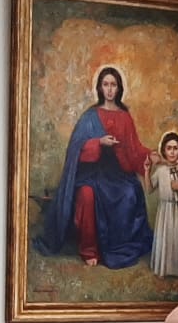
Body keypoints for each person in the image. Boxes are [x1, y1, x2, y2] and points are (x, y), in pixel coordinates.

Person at [35, 64, 154, 269]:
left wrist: (150, 155)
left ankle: (119, 245)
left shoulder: (125, 117)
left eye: (113, 85)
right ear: (99, 88)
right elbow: (75, 148)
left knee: (130, 192)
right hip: (91, 173)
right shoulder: (90, 116)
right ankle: (89, 250)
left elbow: (134, 149)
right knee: (87, 195)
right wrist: (98, 143)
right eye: (105, 84)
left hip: (116, 174)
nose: (109, 89)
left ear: (119, 89)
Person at [149, 130, 178, 278]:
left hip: (177, 209)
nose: (172, 152)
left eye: (175, 148)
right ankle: (163, 269)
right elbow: (149, 188)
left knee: (176, 238)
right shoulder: (160, 171)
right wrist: (147, 170)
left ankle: (176, 269)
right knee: (165, 238)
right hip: (165, 210)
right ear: (164, 150)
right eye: (169, 148)